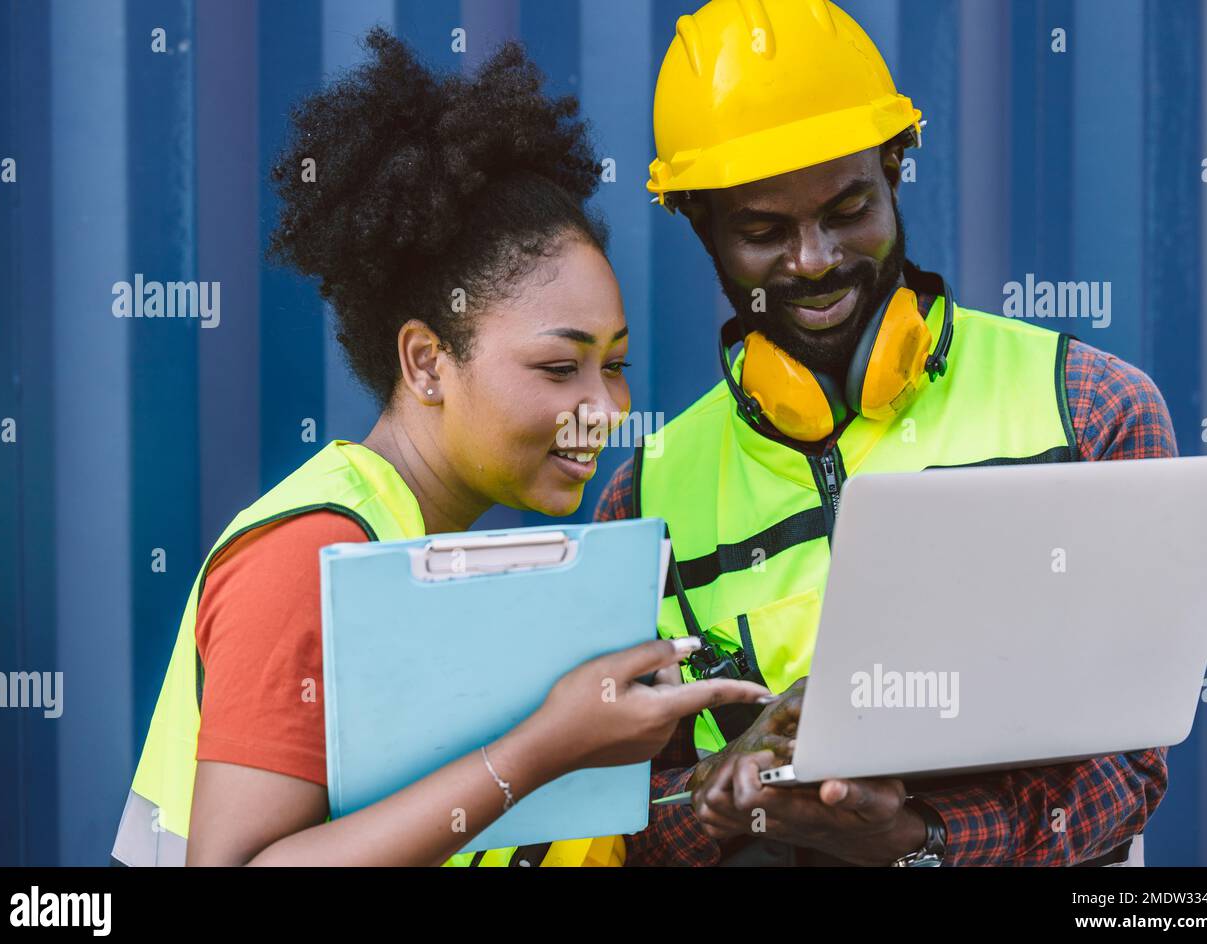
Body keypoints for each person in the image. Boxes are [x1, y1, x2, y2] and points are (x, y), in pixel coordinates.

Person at [109, 31, 767, 868]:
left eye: (616, 365)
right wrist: (542, 748)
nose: (603, 410)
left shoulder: (430, 549)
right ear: (427, 361)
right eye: (560, 367)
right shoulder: (309, 553)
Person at [594, 0, 1171, 866]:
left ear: (897, 169)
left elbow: (1130, 766)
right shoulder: (645, 497)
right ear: (698, 224)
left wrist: (916, 840)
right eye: (762, 231)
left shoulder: (1089, 407)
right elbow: (628, 810)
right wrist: (725, 795)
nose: (816, 259)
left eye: (849, 207)